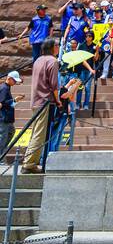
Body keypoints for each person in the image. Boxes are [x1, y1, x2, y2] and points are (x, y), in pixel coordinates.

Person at [23, 40, 61, 172]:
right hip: (45, 101)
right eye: (57, 45)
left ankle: (28, 161)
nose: (59, 48)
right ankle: (29, 164)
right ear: (52, 47)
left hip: (35, 100)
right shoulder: (53, 61)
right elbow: (54, 85)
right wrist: (58, 101)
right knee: (39, 133)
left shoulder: (38, 60)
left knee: (35, 132)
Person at [0, 69, 21, 155]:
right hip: (3, 117)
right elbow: (2, 103)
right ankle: (1, 156)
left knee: (10, 133)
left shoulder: (6, 88)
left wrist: (14, 101)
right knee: (3, 137)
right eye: (14, 80)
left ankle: (2, 153)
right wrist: (14, 100)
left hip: (7, 118)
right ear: (9, 78)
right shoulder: (4, 88)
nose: (15, 82)